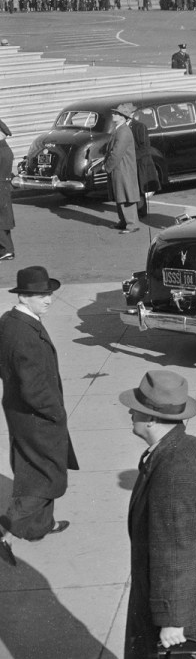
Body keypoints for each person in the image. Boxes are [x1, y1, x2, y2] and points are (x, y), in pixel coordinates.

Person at [121, 370, 196, 657]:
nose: (130, 411)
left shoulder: (174, 470)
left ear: (151, 419)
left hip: (181, 612)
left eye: (137, 409)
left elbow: (175, 549)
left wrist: (171, 621)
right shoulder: (190, 448)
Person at [0, 266, 75, 567]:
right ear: (26, 297)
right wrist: (56, 413)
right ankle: (6, 530)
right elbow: (34, 389)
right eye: (42, 295)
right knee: (45, 477)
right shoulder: (26, 335)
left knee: (33, 468)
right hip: (38, 417)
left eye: (50, 293)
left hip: (19, 413)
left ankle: (40, 527)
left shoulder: (10, 321)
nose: (49, 300)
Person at [105, 102, 141, 234]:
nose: (113, 115)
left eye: (116, 113)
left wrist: (107, 167)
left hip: (123, 168)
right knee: (120, 194)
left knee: (126, 195)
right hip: (120, 168)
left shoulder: (123, 131)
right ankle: (124, 221)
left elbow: (116, 153)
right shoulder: (120, 129)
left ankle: (132, 224)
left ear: (122, 117)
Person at [0, 117, 14, 259]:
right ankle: (7, 250)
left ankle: (7, 249)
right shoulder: (6, 150)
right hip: (4, 186)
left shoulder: (1, 151)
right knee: (4, 219)